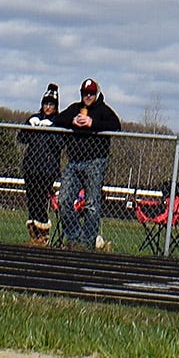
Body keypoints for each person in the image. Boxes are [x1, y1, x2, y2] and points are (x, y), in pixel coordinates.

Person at [55, 78, 122, 249]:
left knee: (92, 204)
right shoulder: (75, 108)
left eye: (91, 93)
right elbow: (58, 119)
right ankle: (75, 238)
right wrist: (72, 122)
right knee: (63, 200)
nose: (88, 96)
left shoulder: (103, 110)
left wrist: (93, 124)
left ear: (96, 93)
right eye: (85, 93)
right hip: (74, 162)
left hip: (95, 162)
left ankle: (88, 242)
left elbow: (116, 125)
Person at [20, 86, 64, 243]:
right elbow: (21, 138)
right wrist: (29, 128)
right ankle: (34, 235)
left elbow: (60, 145)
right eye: (46, 103)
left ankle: (43, 235)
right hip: (30, 167)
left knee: (40, 201)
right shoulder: (34, 118)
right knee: (31, 201)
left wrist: (49, 130)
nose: (48, 107)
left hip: (47, 169)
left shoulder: (58, 122)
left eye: (51, 104)